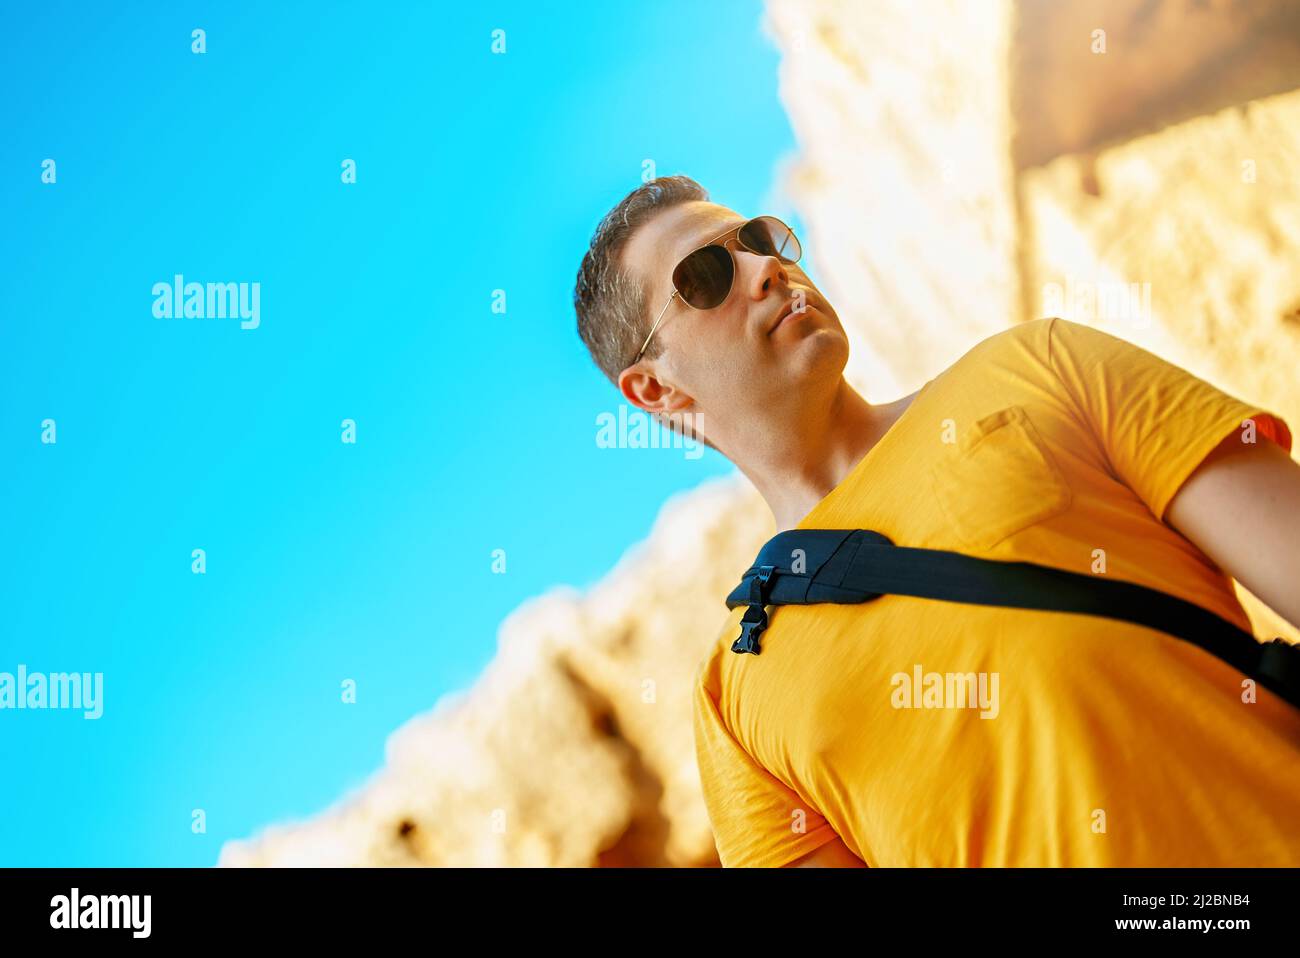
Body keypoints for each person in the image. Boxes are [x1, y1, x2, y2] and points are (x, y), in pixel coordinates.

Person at [573, 175, 1300, 867]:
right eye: (706, 275)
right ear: (655, 389)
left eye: (760, 238)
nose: (767, 268)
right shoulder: (736, 699)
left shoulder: (1040, 366)